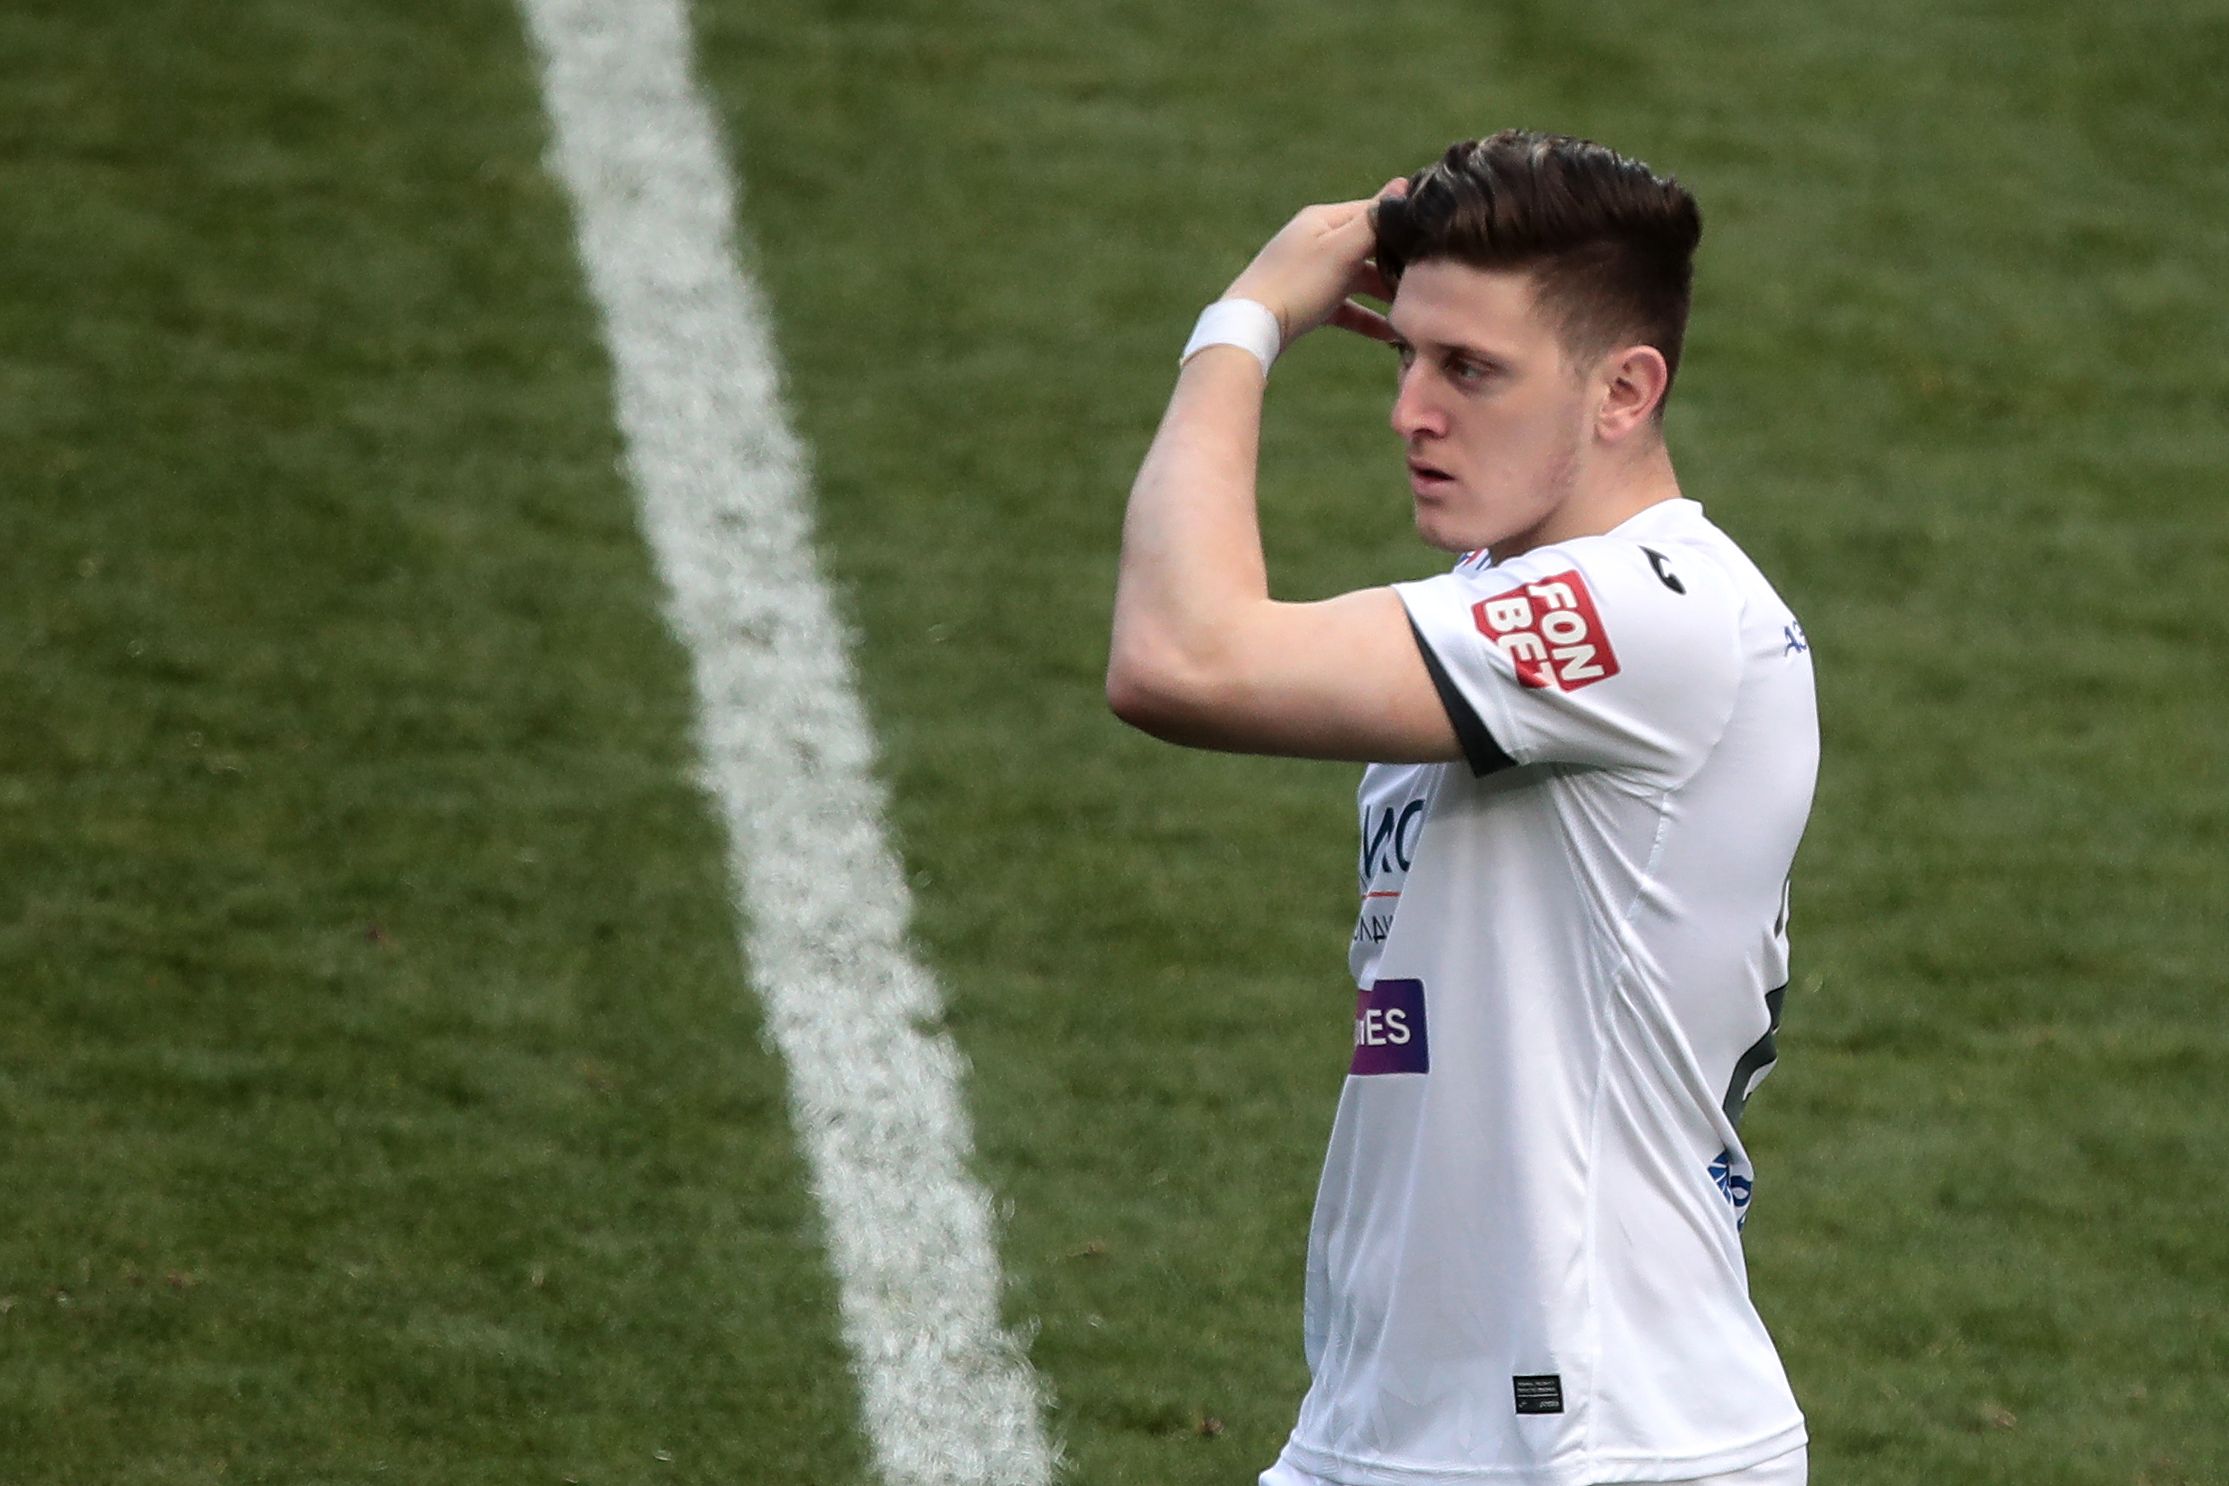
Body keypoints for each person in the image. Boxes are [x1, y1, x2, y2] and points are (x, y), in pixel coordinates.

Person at [1106, 131, 1819, 1486]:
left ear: (1624, 391)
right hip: (1413, 1421)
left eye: (1469, 370)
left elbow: (1180, 659)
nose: (1410, 412)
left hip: (1588, 1439)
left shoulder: (1652, 613)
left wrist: (1245, 322)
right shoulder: (1501, 615)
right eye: (1405, 358)